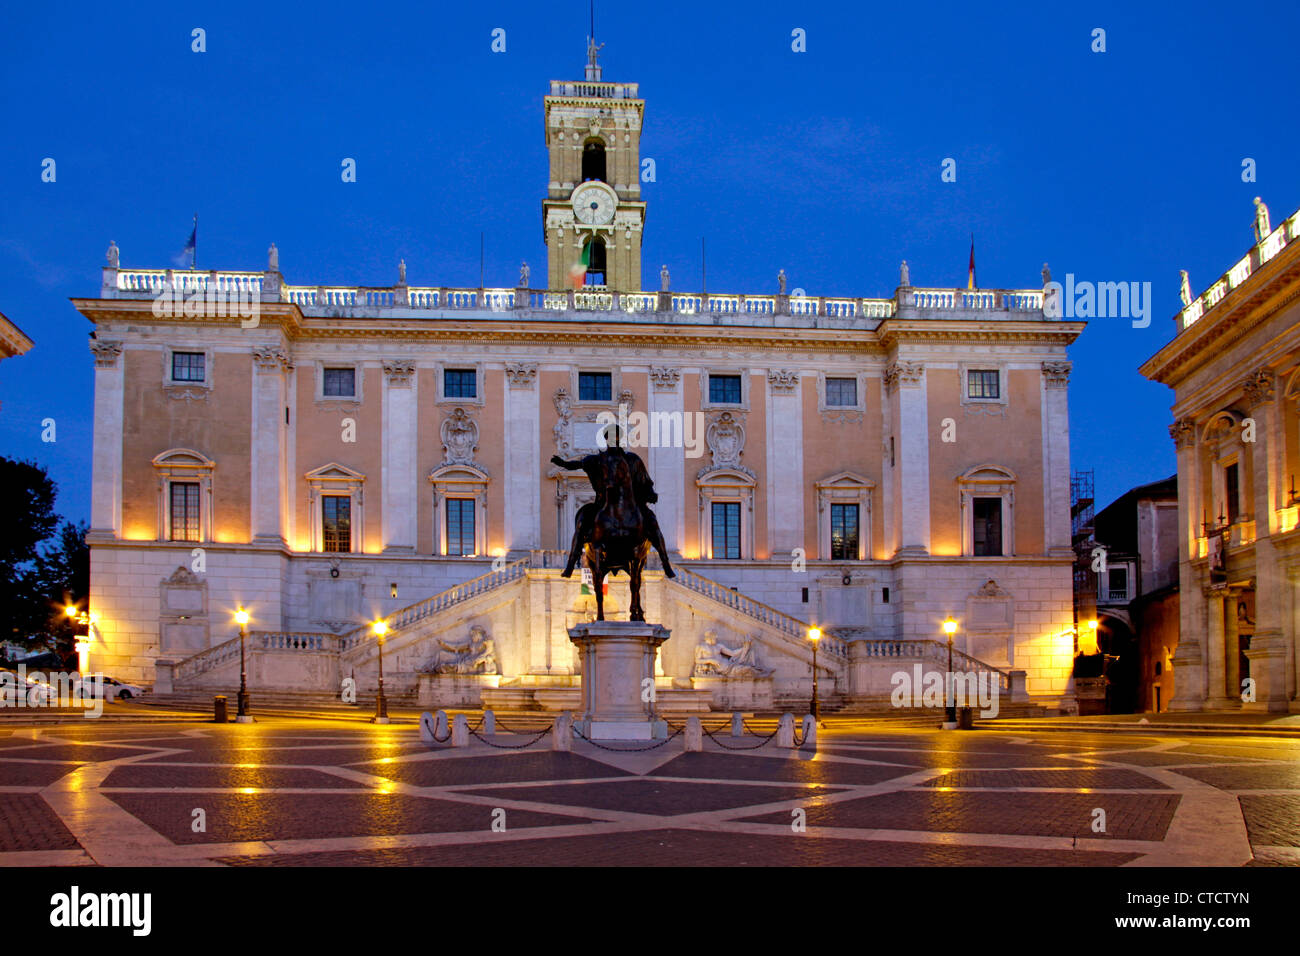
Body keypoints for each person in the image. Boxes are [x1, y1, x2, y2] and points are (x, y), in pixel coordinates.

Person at [551, 425, 675, 579]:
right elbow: (578, 464)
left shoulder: (632, 460)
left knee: (653, 523)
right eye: (610, 437)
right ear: (606, 439)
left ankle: (665, 562)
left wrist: (650, 494)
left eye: (615, 437)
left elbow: (644, 480)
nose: (613, 440)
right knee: (582, 521)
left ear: (620, 439)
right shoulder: (597, 460)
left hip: (632, 504)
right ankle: (571, 563)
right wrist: (563, 464)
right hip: (603, 503)